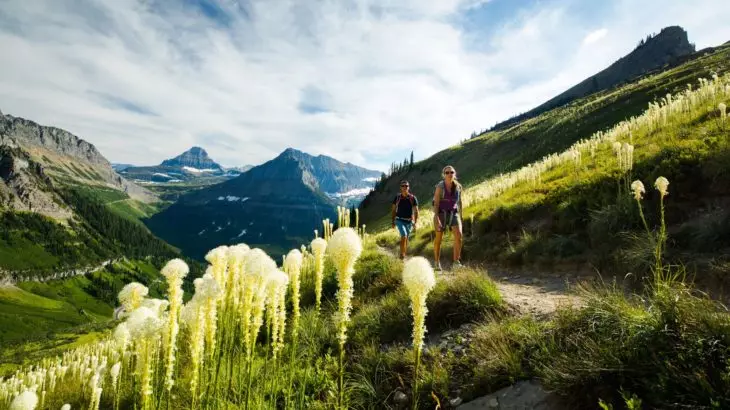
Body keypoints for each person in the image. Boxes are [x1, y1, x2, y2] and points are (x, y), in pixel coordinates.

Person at [433, 165, 463, 270]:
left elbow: (459, 203)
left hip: (454, 213)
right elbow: (436, 203)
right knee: (439, 239)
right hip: (440, 213)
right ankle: (437, 263)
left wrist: (461, 217)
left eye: (452, 172)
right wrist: (436, 218)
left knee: (459, 236)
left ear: (454, 174)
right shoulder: (440, 187)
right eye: (447, 172)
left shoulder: (458, 186)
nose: (450, 174)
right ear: (444, 175)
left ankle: (456, 263)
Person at [391, 180, 419, 259]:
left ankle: (403, 253)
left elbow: (416, 211)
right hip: (399, 220)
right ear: (400, 188)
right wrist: (393, 222)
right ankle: (402, 255)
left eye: (406, 186)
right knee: (404, 235)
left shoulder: (413, 198)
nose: (404, 187)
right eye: (403, 186)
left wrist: (415, 223)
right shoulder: (397, 197)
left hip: (409, 221)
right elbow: (393, 210)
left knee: (406, 238)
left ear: (408, 187)